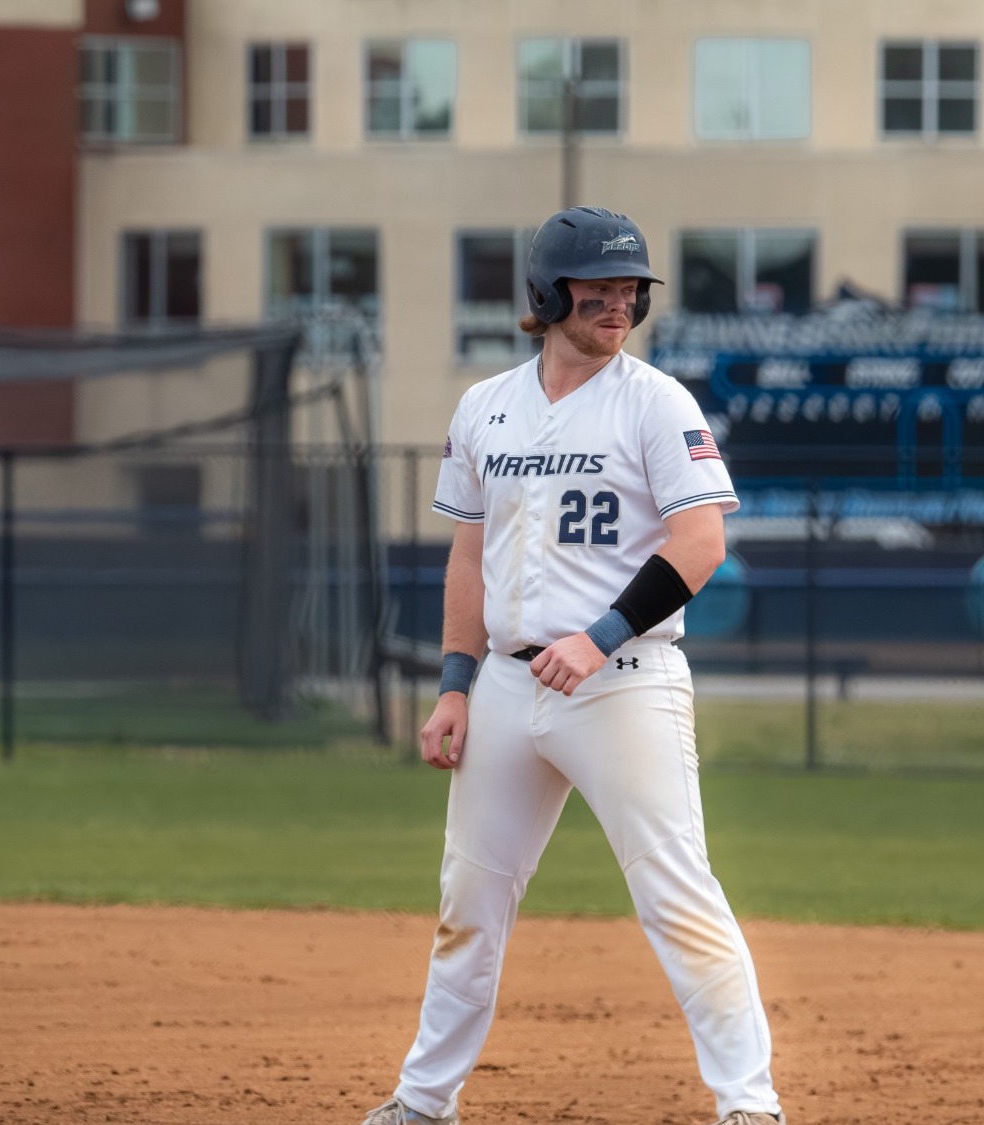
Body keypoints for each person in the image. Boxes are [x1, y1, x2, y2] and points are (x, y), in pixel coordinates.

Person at [360, 207, 782, 1125]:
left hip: (622, 679)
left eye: (631, 286)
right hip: (506, 687)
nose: (619, 300)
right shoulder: (485, 407)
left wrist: (597, 635)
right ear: (547, 294)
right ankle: (423, 1103)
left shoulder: (655, 400)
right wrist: (454, 685)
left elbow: (702, 543)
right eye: (599, 284)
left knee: (677, 893)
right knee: (467, 901)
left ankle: (751, 1106)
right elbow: (469, 562)